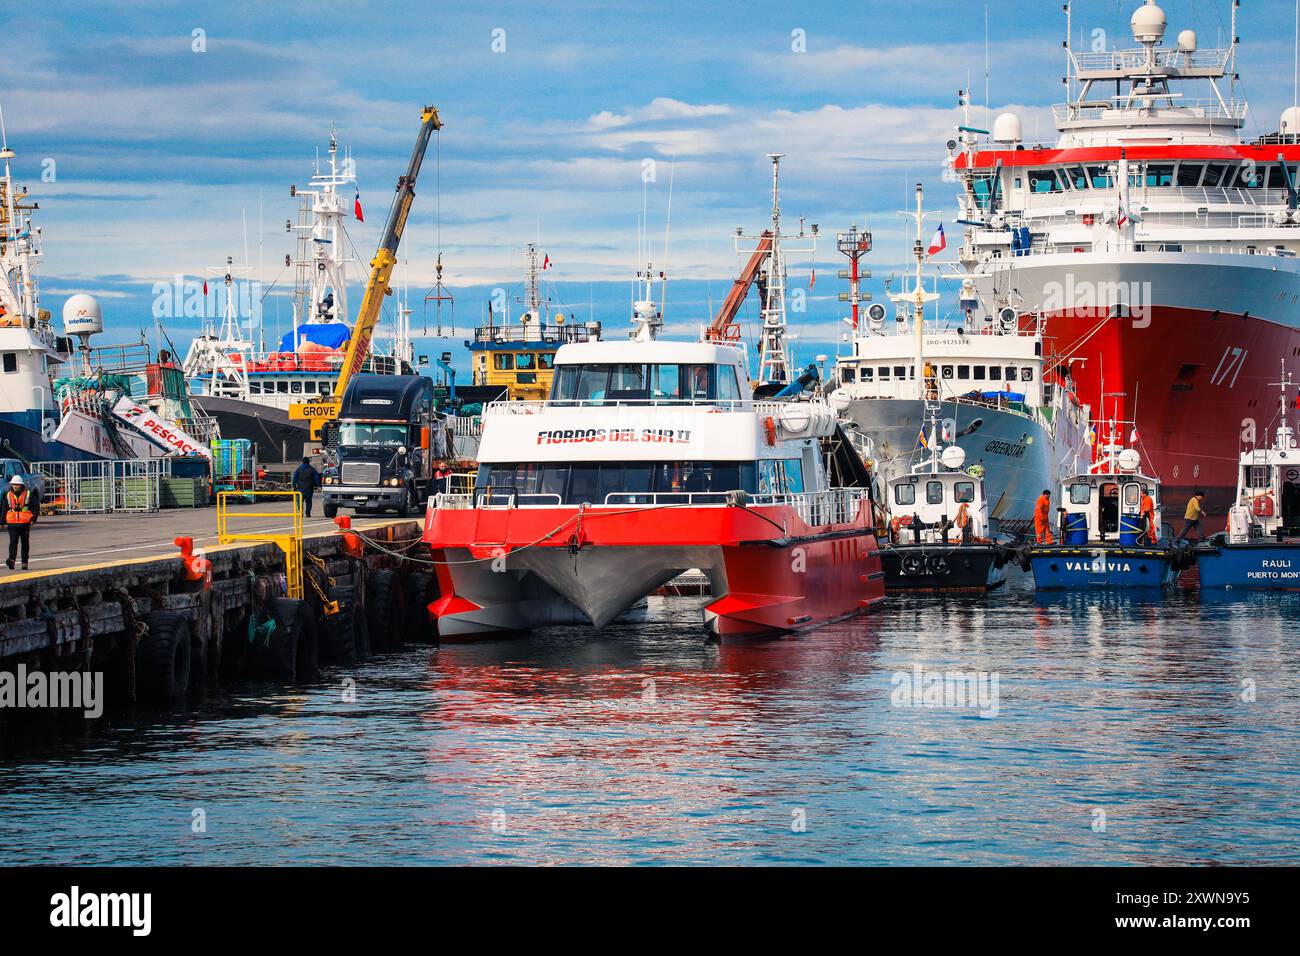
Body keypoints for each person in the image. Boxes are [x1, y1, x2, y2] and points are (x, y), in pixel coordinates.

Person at [2, 474, 39, 570]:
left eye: (17, 484)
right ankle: (11, 561)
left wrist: (33, 519)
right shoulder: (8, 495)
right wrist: (2, 522)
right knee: (13, 542)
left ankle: (24, 562)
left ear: (21, 485)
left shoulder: (28, 494)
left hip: (25, 523)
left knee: (25, 543)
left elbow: (35, 507)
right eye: (14, 484)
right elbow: (4, 508)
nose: (15, 486)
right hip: (12, 523)